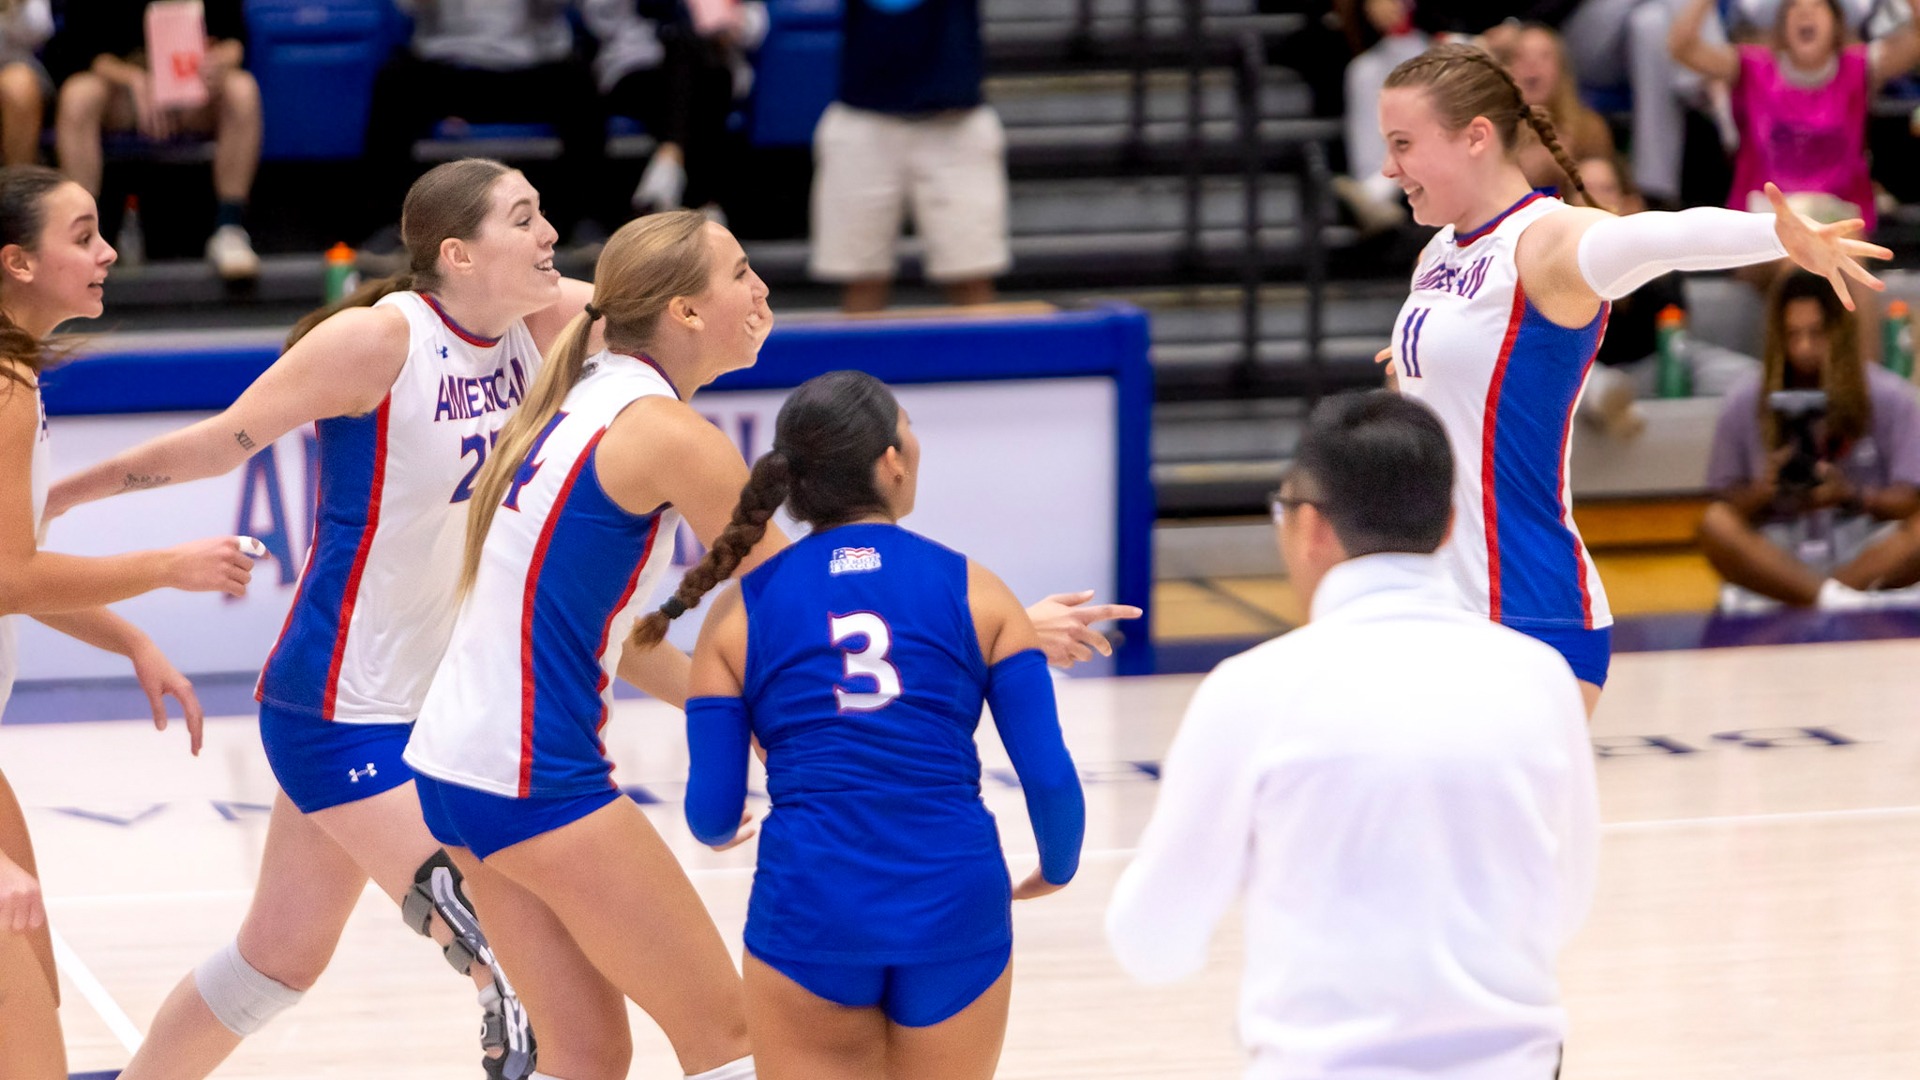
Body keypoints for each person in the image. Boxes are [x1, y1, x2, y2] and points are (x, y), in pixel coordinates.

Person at [44, 157, 576, 1080]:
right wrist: (56, 496)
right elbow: (217, 443)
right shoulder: (380, 342)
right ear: (457, 253)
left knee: (274, 964)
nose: (550, 236)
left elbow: (666, 297)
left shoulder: (546, 323)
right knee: (514, 954)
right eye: (525, 219)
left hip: (433, 700)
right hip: (338, 707)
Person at [1373, 42, 1888, 711]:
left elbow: (1661, 236)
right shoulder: (1439, 253)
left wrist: (1776, 238)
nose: (1389, 168)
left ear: (1475, 137)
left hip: (1528, 613)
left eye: (1404, 144)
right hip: (1435, 605)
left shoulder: (1549, 242)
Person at [1106, 391, 1597, 1080]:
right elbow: (1565, 903)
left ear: (1309, 527)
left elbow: (1152, 941)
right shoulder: (1542, 679)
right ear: (1450, 522)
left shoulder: (1251, 692)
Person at [402, 209, 772, 1080]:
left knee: (587, 1052)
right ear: (684, 312)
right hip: (531, 777)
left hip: (458, 771)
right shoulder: (672, 435)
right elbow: (805, 594)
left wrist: (738, 716)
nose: (762, 291)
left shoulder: (587, 397)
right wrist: (989, 627)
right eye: (742, 272)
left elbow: (629, 643)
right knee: (730, 1036)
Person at [672, 369, 1085, 1079]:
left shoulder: (737, 614)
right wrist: (1058, 865)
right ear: (890, 459)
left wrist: (718, 832)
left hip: (810, 907)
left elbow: (710, 813)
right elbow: (1048, 776)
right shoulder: (982, 592)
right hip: (954, 903)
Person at [0, 163, 257, 1079]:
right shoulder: (5, 387)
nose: (108, 252)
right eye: (83, 235)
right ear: (16, 262)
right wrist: (168, 570)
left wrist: (131, 639)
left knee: (36, 1008)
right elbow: (8, 575)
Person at [1700, 270, 1920, 609]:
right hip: (1778, 551)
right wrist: (1765, 490)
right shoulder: (1743, 400)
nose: (1803, 348)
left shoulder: (1892, 396)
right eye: (1792, 335)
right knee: (1715, 524)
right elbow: (1724, 505)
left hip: (1863, 543)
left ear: (1840, 334)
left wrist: (1850, 494)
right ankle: (1835, 598)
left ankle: (1822, 595)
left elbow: (1908, 499)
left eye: (1816, 334)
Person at [361, 0, 608, 255]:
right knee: (395, 84)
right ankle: (388, 223)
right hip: (450, 64)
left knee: (578, 85)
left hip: (531, 65)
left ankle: (584, 219)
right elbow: (410, 7)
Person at [809, 0, 1007, 313]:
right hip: (864, 117)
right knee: (861, 278)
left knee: (971, 274)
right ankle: (859, 364)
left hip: (955, 121)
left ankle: (985, 363)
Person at [45, 0, 264, 279]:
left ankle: (230, 228)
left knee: (242, 90)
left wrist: (218, 61)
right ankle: (82, 235)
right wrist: (134, 78)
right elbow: (83, 49)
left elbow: (235, 41)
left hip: (194, 91)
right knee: (78, 96)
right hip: (125, 92)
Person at [1671, 0, 1920, 235]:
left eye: (1817, 4)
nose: (1805, 12)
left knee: (1842, 253)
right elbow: (1682, 47)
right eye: (1794, 5)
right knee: (1789, 252)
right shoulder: (1750, 67)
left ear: (1836, 24)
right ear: (1781, 25)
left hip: (1838, 216)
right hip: (1766, 217)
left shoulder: (1859, 67)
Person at [582, 0, 765, 218]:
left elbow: (756, 21)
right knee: (689, 67)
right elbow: (597, 19)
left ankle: (668, 162)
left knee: (708, 72)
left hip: (707, 65)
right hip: (636, 67)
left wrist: (734, 24)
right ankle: (703, 202)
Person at [1499, 24, 1615, 197]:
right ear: (1506, 70)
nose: (1532, 65)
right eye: (1520, 57)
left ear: (1561, 69)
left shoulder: (1589, 128)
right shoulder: (1494, 129)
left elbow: (1607, 189)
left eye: (1544, 56)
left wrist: (1570, 168)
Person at [0, 0, 52, 166]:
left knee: (19, 85)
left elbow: (39, 30)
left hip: (15, 63)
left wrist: (13, 7)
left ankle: (18, 186)